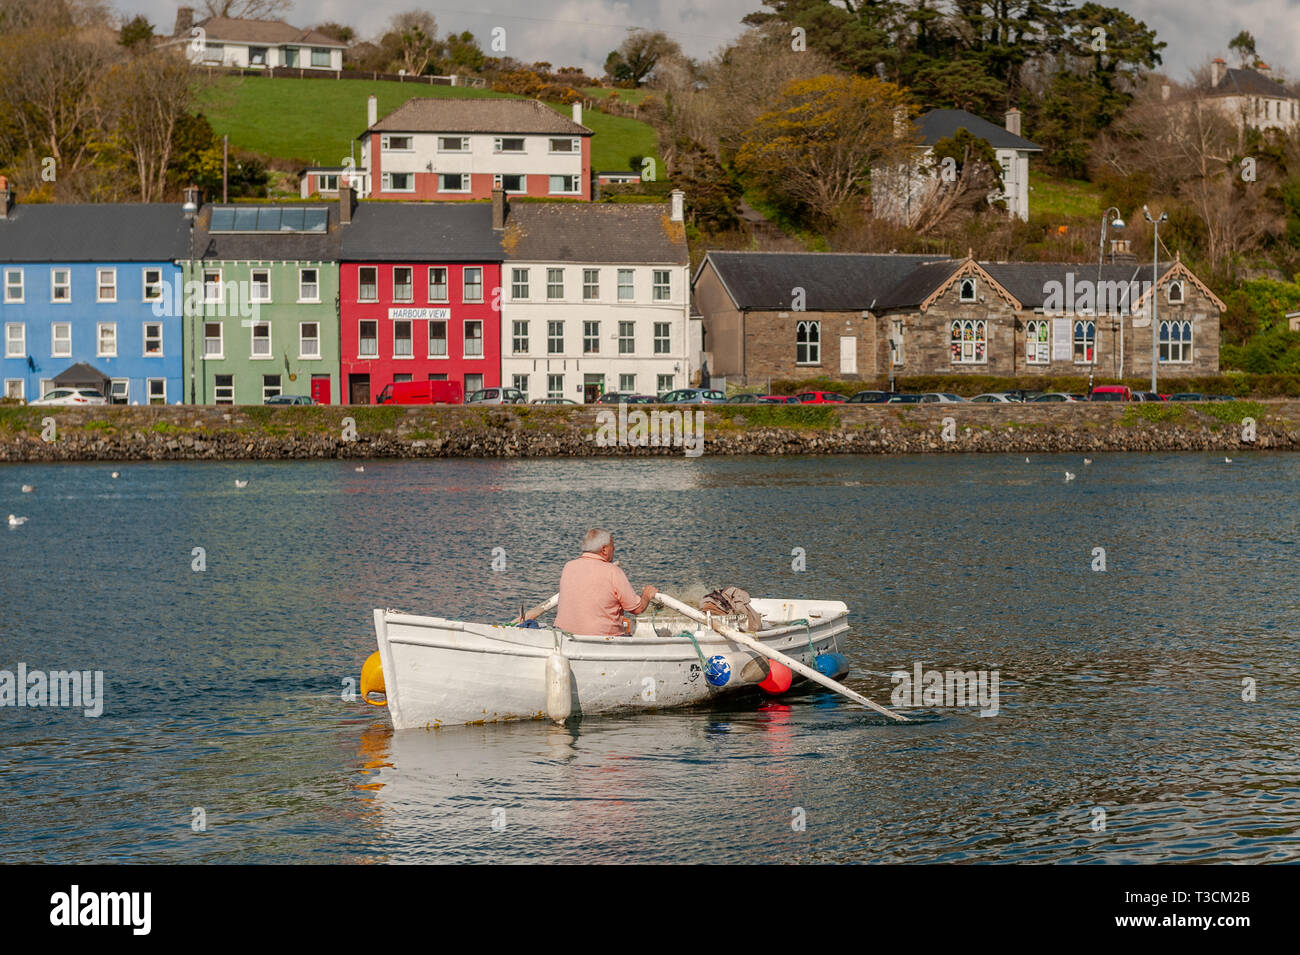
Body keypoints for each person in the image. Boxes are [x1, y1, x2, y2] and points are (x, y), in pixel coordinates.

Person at [554, 528, 657, 636]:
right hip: (601, 639)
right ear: (604, 549)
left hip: (563, 636)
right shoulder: (613, 571)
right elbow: (637, 608)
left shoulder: (569, 567)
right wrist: (646, 595)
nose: (614, 550)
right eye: (612, 547)